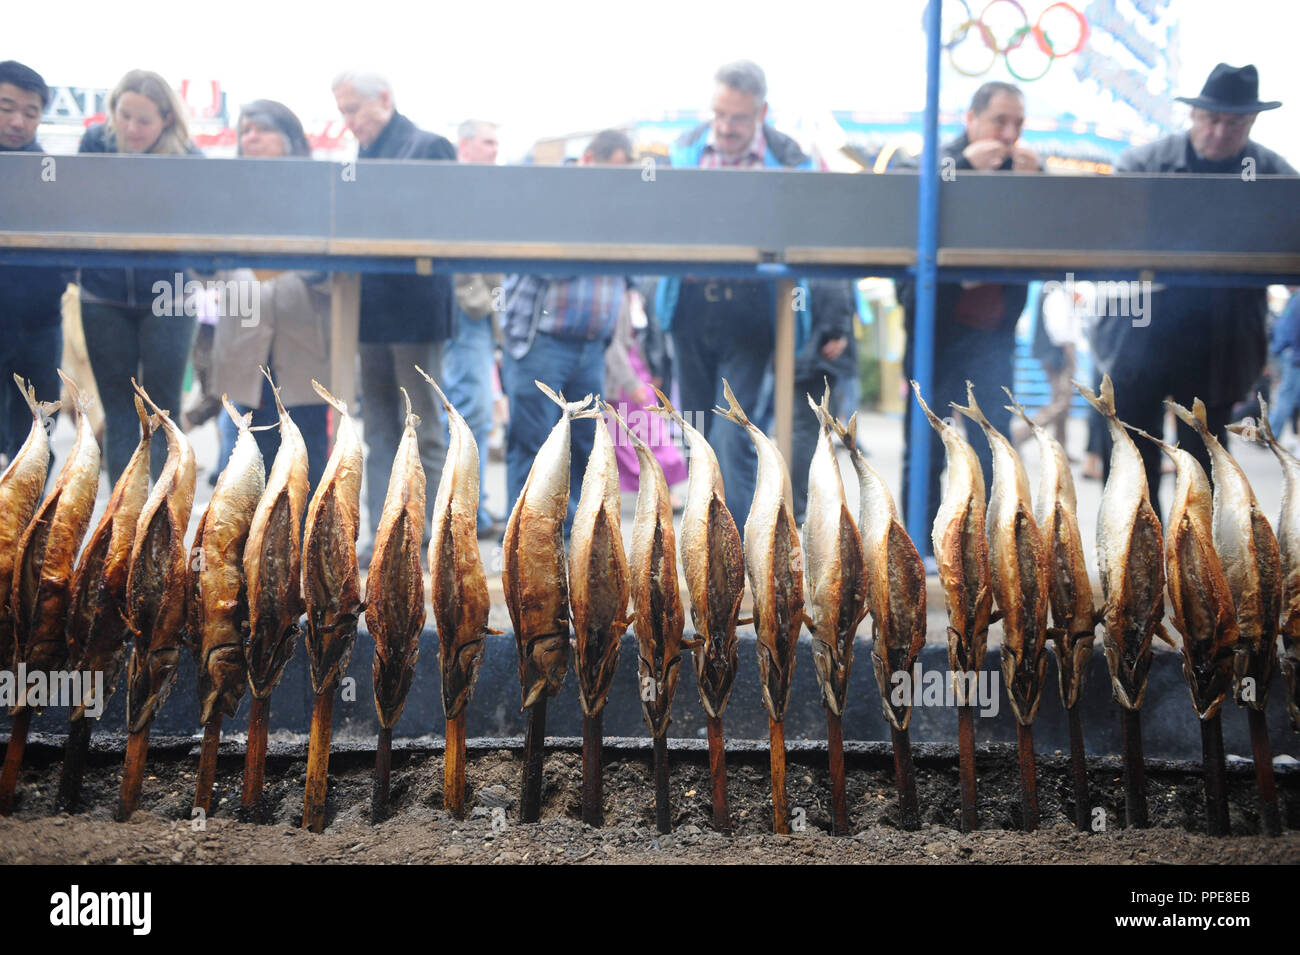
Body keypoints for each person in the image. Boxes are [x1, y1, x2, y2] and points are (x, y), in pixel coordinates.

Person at [1090, 63, 1296, 515]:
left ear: (1252, 123)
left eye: (1234, 123)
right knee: (1129, 454)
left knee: (1204, 458)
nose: (1220, 132)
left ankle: (1198, 567)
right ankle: (1133, 562)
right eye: (1212, 119)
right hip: (1139, 331)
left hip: (1220, 340)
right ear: (1194, 116)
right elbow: (1110, 235)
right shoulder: (1142, 164)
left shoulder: (1275, 174)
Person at [654, 60, 814, 535]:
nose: (725, 127)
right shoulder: (682, 149)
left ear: (762, 113)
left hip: (752, 311)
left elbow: (805, 236)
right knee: (697, 431)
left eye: (738, 118)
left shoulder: (790, 158)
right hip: (689, 307)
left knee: (730, 431)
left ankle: (742, 549)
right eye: (719, 113)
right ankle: (704, 542)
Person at [899, 81, 1041, 532]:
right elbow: (903, 190)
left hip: (994, 333)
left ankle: (991, 549)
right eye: (1000, 120)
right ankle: (918, 550)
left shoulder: (1023, 170)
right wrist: (959, 166)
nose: (1009, 133)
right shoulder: (939, 159)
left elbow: (1059, 225)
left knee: (992, 448)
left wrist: (1038, 182)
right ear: (971, 119)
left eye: (1017, 123)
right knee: (925, 449)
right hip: (935, 331)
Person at [332, 70, 456, 553]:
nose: (348, 122)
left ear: (383, 99)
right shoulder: (365, 154)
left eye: (352, 110)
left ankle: (432, 538)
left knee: (421, 426)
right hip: (372, 311)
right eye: (342, 112)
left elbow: (437, 225)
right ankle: (387, 536)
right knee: (380, 427)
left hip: (415, 311)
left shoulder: (429, 147)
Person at [501, 129, 634, 533]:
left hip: (589, 346)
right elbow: (543, 260)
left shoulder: (616, 206)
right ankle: (528, 542)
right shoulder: (554, 193)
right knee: (537, 444)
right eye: (614, 170)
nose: (618, 181)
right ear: (590, 159)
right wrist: (598, 247)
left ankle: (569, 539)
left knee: (582, 448)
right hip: (542, 339)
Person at [78, 69, 202, 482]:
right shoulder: (95, 145)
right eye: (124, 115)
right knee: (117, 410)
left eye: (143, 120)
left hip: (169, 296)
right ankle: (123, 522)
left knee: (164, 408)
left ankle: (165, 519)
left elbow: (202, 228)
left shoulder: (187, 159)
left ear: (166, 118)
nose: (131, 128)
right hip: (103, 295)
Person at [210, 100, 332, 493]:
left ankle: (306, 544)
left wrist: (299, 265)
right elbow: (207, 260)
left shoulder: (320, 189)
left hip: (302, 337)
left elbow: (334, 265)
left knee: (306, 449)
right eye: (245, 131)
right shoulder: (229, 191)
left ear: (291, 138)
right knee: (252, 450)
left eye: (262, 129)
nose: (251, 138)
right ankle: (256, 548)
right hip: (248, 333)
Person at [0, 61, 66, 464]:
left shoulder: (53, 175)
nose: (17, 121)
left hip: (40, 322)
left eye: (30, 112)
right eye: (5, 107)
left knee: (37, 431)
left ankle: (30, 522)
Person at [446, 120, 505, 537]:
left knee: (472, 412)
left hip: (476, 317)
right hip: (467, 317)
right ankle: (467, 514)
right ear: (464, 146)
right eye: (487, 142)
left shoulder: (477, 189)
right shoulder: (461, 188)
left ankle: (470, 510)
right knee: (471, 411)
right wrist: (477, 302)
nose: (495, 150)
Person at [605, 285, 687, 504]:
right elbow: (613, 345)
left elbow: (653, 332)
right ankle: (656, 487)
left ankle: (661, 486)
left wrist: (654, 370)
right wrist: (631, 383)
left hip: (639, 369)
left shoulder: (639, 290)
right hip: (623, 375)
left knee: (649, 432)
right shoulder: (617, 293)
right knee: (625, 436)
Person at [790, 279, 856, 521]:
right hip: (819, 356)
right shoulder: (822, 256)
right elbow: (836, 285)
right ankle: (800, 502)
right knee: (813, 431)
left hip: (800, 354)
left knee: (804, 429)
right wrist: (838, 331)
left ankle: (799, 500)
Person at [1267, 288, 1300, 443]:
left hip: (1293, 356)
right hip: (1290, 354)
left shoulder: (1297, 299)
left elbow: (1294, 329)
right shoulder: (1294, 299)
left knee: (1286, 397)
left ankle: (1270, 434)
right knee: (1287, 396)